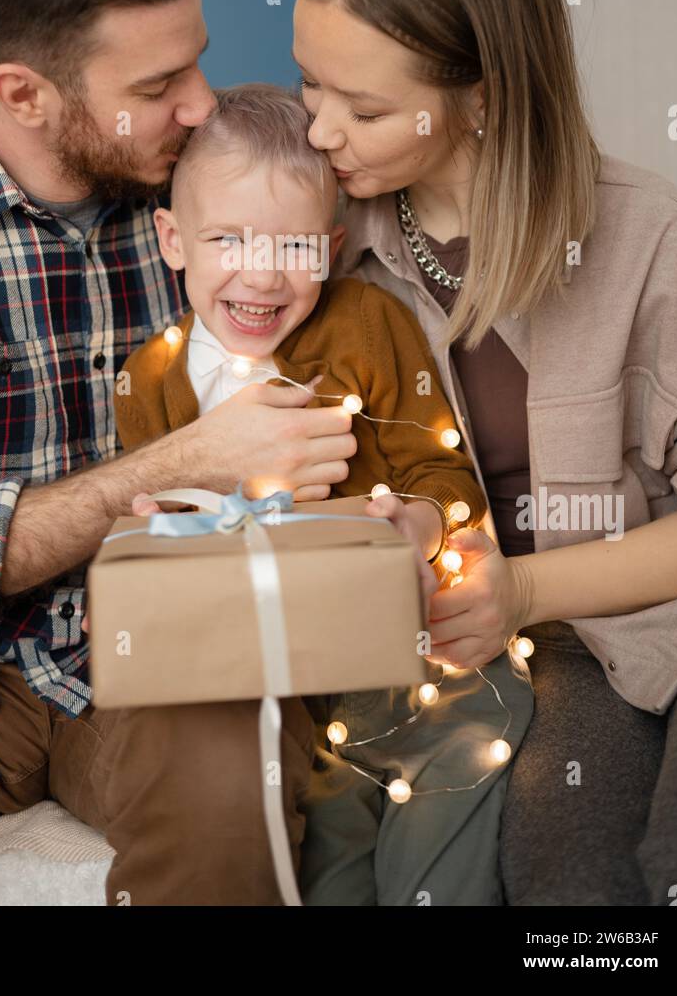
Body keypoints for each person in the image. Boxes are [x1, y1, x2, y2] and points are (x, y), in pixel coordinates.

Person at [0, 0, 358, 907]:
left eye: (198, 57)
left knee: (227, 767)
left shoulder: (205, 187)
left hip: (143, 648)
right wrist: (177, 463)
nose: (201, 103)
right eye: (157, 84)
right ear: (24, 91)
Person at [290, 0, 677, 906]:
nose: (318, 130)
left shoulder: (645, 233)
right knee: (562, 875)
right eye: (310, 86)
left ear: (479, 97)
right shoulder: (323, 246)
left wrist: (518, 589)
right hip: (545, 654)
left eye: (364, 108)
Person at [111, 80, 533, 906]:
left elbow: (445, 476)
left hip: (416, 656)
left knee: (448, 800)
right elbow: (156, 540)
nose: (262, 277)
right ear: (173, 240)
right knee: (328, 853)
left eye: (295, 247)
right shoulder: (148, 382)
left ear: (333, 247)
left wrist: (419, 522)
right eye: (228, 239)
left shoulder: (368, 327)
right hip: (290, 689)